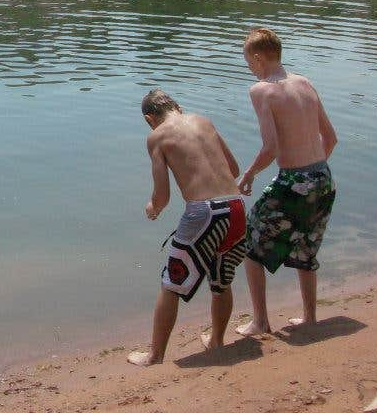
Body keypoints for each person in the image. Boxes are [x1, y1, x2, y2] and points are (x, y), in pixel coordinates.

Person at [127, 89, 248, 366]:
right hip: (236, 207)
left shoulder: (157, 136)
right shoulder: (204, 121)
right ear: (177, 107)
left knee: (171, 283)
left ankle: (155, 355)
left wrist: (153, 208)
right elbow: (234, 169)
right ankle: (216, 340)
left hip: (204, 213)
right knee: (221, 280)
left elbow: (162, 196)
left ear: (149, 119)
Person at [235, 28, 338, 335]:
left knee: (249, 241)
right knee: (306, 247)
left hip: (294, 181)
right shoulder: (305, 82)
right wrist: (311, 171)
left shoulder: (261, 90)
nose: (250, 69)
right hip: (323, 178)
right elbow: (330, 138)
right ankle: (309, 317)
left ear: (257, 58)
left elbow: (271, 148)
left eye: (248, 62)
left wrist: (248, 174)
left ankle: (260, 322)